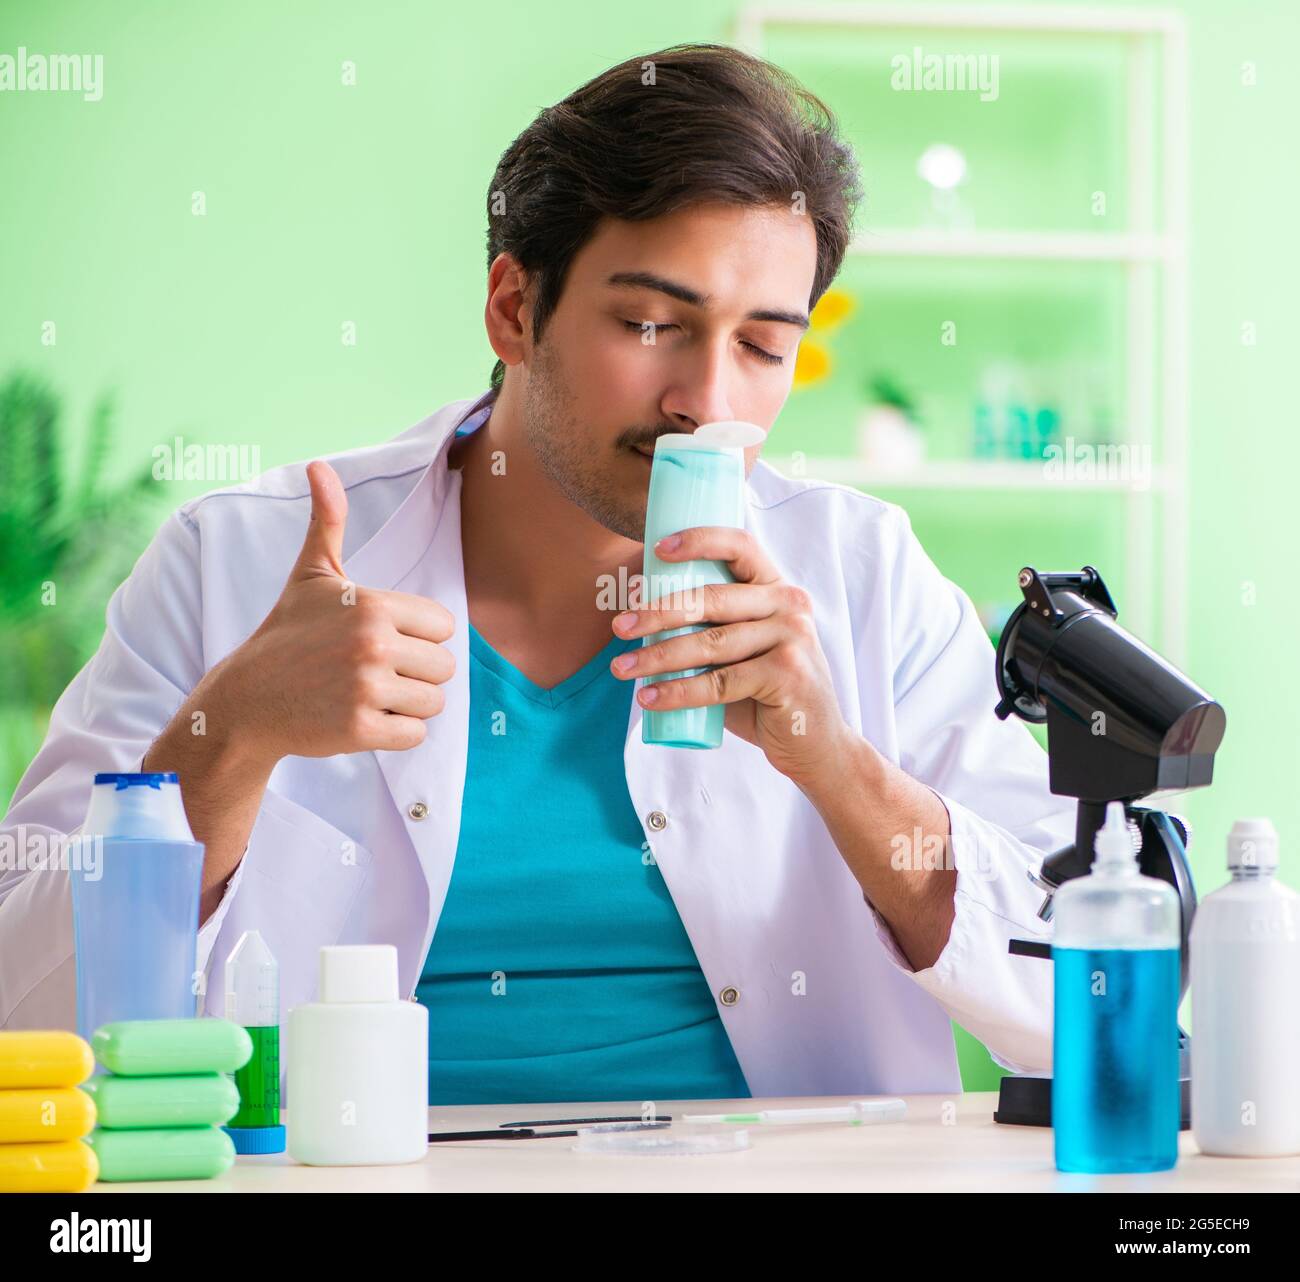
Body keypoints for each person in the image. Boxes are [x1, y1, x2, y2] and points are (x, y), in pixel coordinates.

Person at [0, 44, 1072, 1102]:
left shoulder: (862, 573)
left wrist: (840, 768)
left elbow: (1088, 1001)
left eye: (761, 346)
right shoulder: (233, 560)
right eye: (653, 323)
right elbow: (25, 1005)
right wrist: (229, 736)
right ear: (514, 308)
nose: (707, 400)